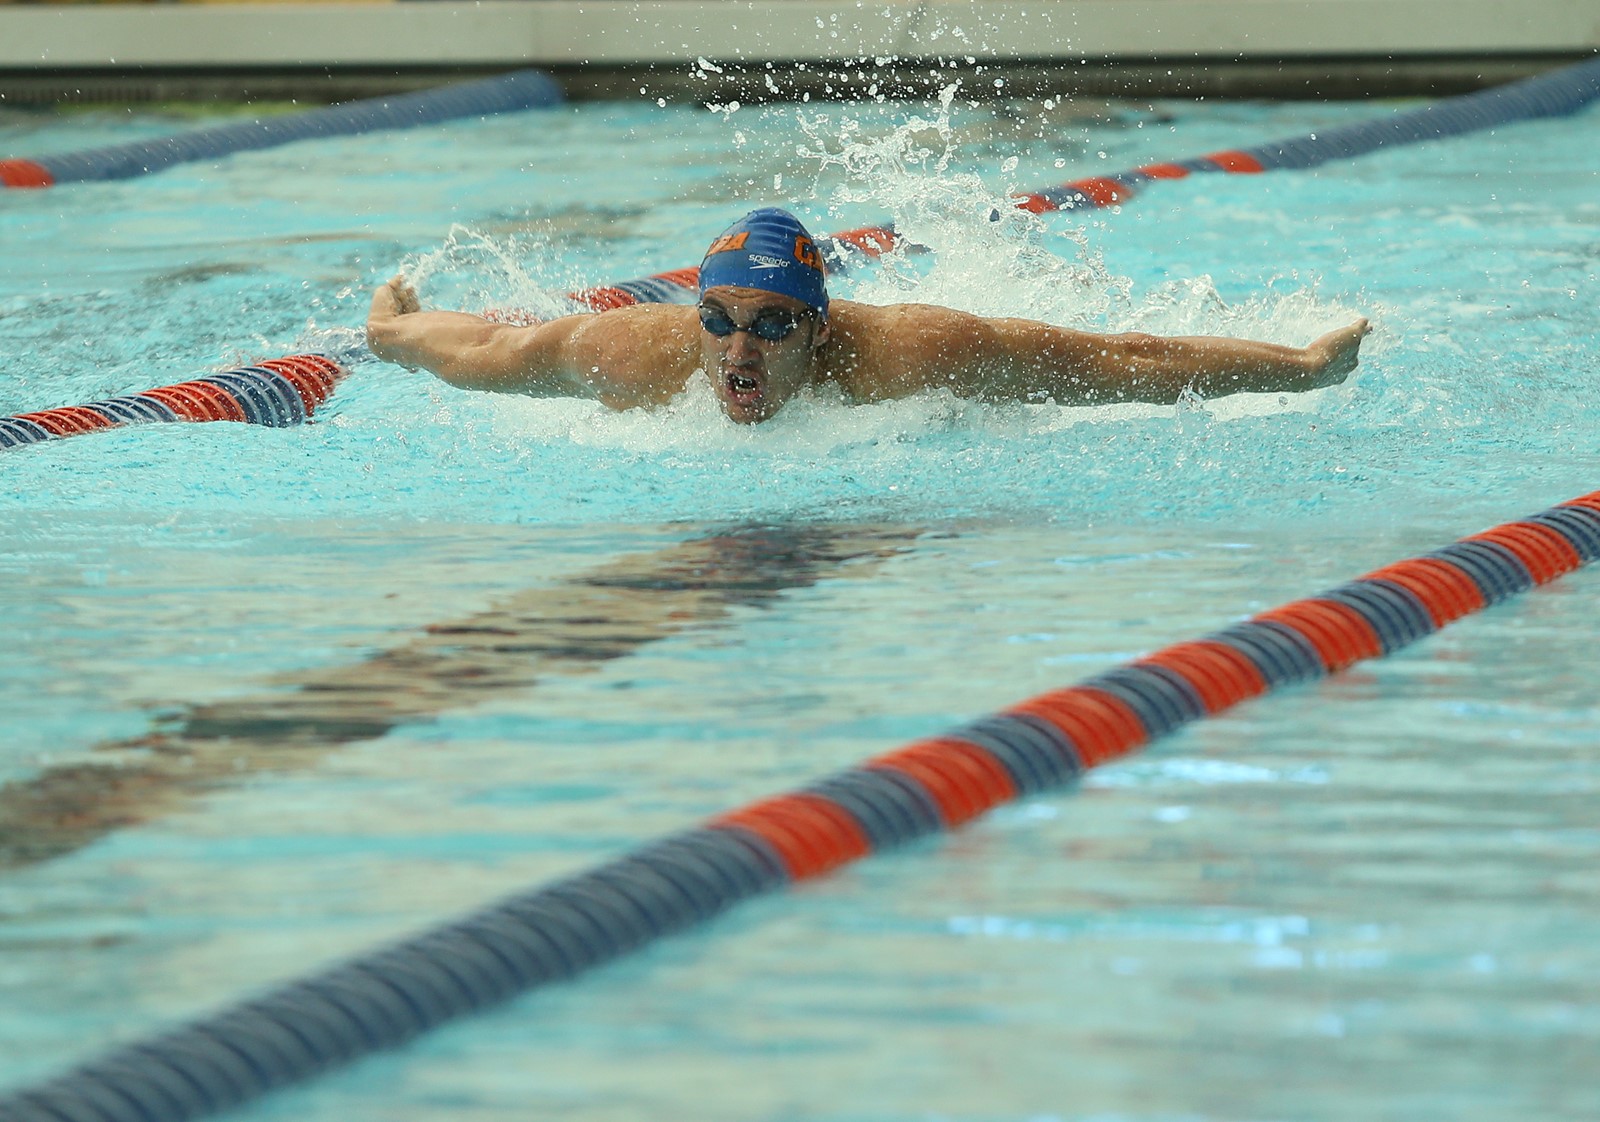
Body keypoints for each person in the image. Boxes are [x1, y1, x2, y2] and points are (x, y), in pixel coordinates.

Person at [367, 206, 1370, 425]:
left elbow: (1119, 358)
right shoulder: (631, 353)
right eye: (716, 321)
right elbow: (486, 353)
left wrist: (1299, 366)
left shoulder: (913, 354)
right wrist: (390, 329)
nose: (735, 348)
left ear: (821, 327)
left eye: (768, 324)